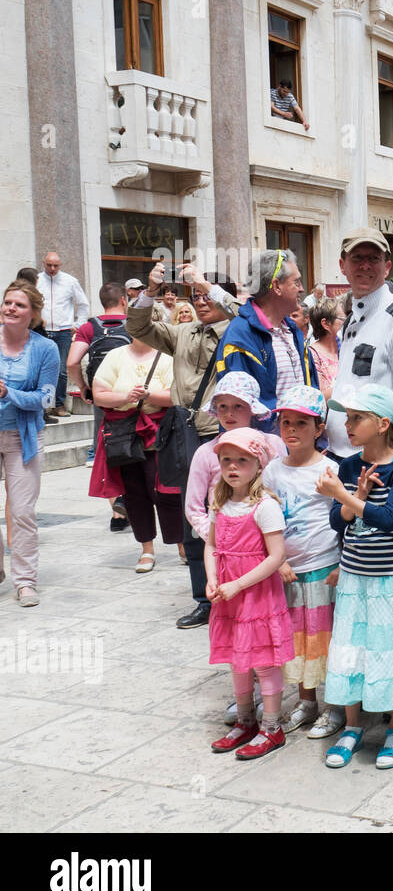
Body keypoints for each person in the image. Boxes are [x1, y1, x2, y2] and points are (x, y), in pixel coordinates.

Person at [317, 384, 393, 770]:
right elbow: (338, 521)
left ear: (383, 424)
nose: (348, 425)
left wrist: (346, 496)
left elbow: (389, 522)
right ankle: (352, 727)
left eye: (357, 418)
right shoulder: (349, 467)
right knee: (353, 651)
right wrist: (351, 496)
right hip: (356, 575)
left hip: (391, 577)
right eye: (347, 417)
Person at [132, 262, 240, 629]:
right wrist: (149, 291)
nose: (200, 300)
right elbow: (138, 326)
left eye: (206, 295)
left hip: (223, 433)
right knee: (193, 515)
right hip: (184, 430)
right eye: (195, 296)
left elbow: (247, 314)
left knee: (231, 514)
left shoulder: (238, 331)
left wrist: (206, 284)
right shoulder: (182, 332)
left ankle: (238, 593)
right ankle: (204, 599)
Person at [205, 428, 295, 760]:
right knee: (237, 661)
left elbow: (276, 556)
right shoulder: (220, 503)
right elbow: (211, 545)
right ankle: (245, 721)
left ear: (258, 465)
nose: (232, 466)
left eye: (242, 460)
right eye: (226, 459)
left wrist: (238, 584)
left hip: (256, 596)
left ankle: (272, 726)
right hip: (227, 597)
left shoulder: (264, 506)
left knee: (264, 662)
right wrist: (212, 578)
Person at [261, 386, 341, 735]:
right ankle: (306, 701)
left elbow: (342, 520)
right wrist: (275, 561)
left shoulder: (330, 469)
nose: (291, 430)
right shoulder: (272, 472)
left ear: (319, 428)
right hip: (288, 571)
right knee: (296, 641)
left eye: (300, 424)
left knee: (327, 640)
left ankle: (336, 706)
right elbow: (262, 520)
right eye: (285, 423)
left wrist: (342, 564)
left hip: (324, 568)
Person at [90, 333, 181, 575]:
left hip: (160, 435)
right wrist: (126, 397)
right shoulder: (116, 356)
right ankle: (147, 549)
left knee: (167, 493)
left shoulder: (168, 357)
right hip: (125, 435)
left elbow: (177, 395)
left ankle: (182, 544)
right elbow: (99, 393)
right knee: (134, 495)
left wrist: (147, 395)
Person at [326, 229, 393, 460]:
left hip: (377, 463)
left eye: (373, 259)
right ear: (342, 265)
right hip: (342, 457)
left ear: (386, 267)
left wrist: (383, 457)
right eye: (357, 258)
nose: (365, 266)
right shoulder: (350, 322)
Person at [0, 281, 59, 605]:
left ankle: (25, 582)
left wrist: (10, 393)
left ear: (33, 313)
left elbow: (48, 399)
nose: (10, 308)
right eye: (7, 302)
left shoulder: (45, 349)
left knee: (21, 511)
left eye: (19, 305)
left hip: (23, 438)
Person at [217, 250, 316, 425]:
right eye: (296, 282)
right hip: (262, 445)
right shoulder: (241, 335)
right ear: (276, 286)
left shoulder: (292, 329)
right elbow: (237, 409)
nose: (302, 288)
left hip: (296, 444)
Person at [68, 282, 131, 473]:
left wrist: (83, 387)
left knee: (102, 429)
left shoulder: (89, 327)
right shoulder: (134, 325)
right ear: (123, 300)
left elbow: (72, 362)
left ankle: (102, 466)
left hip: (100, 390)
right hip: (130, 389)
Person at [35, 251, 90, 419]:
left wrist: (78, 324)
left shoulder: (70, 281)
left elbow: (83, 304)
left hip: (63, 331)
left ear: (60, 265)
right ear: (43, 263)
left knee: (61, 371)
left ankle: (59, 405)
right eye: (49, 265)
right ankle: (42, 408)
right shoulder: (36, 280)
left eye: (56, 265)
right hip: (41, 330)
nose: (52, 268)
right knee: (39, 369)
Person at [306, 298, 344, 400]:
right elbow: (319, 398)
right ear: (326, 324)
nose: (349, 323)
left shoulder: (346, 349)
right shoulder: (312, 354)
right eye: (343, 319)